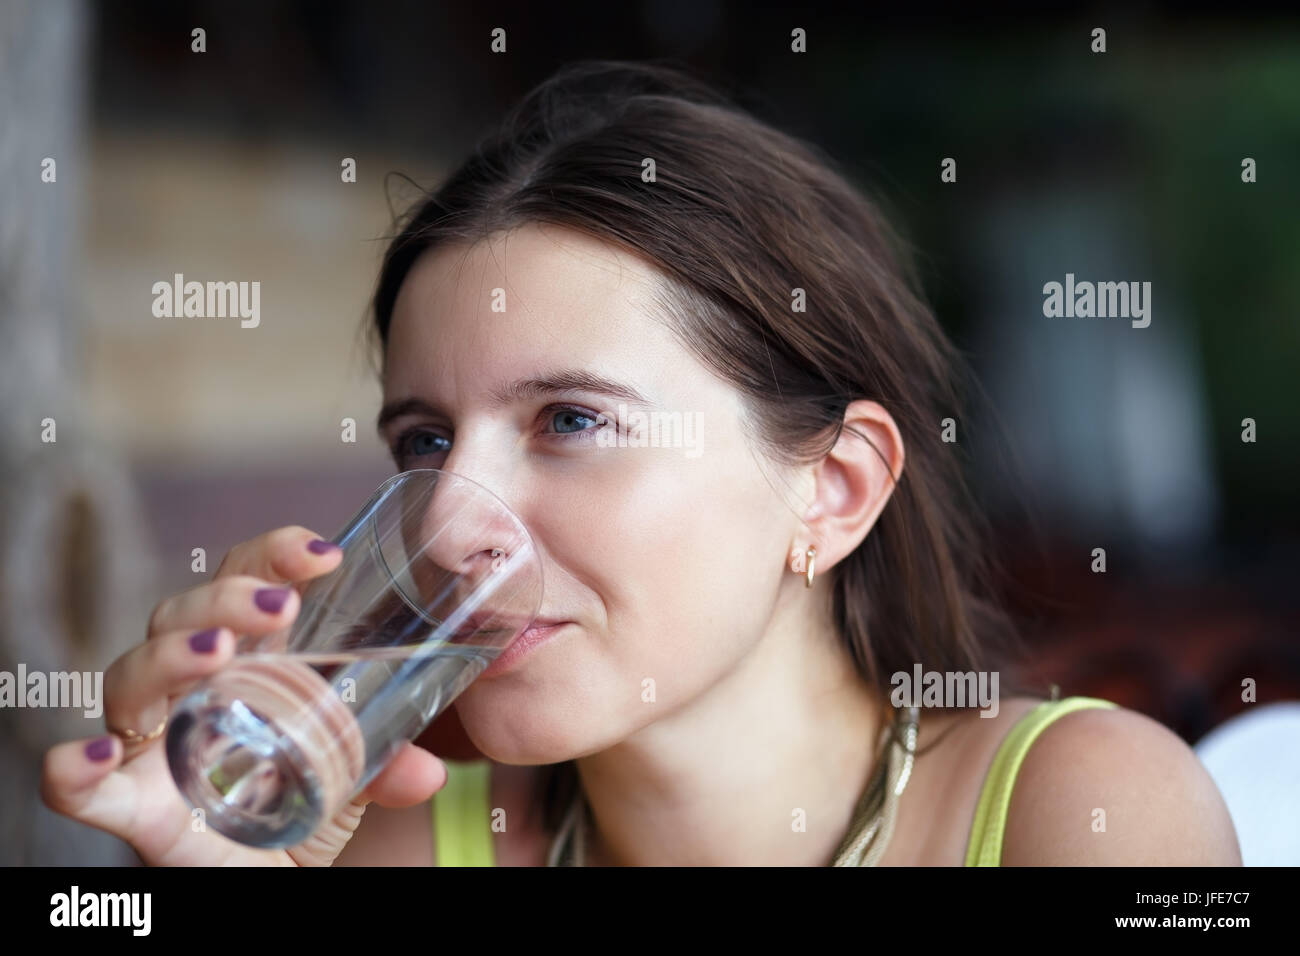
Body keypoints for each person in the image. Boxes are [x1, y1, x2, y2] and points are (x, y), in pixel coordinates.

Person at [41, 60, 1241, 867]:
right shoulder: (390, 839)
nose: (448, 525)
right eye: (424, 441)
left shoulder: (1084, 810)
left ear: (832, 488)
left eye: (570, 419)